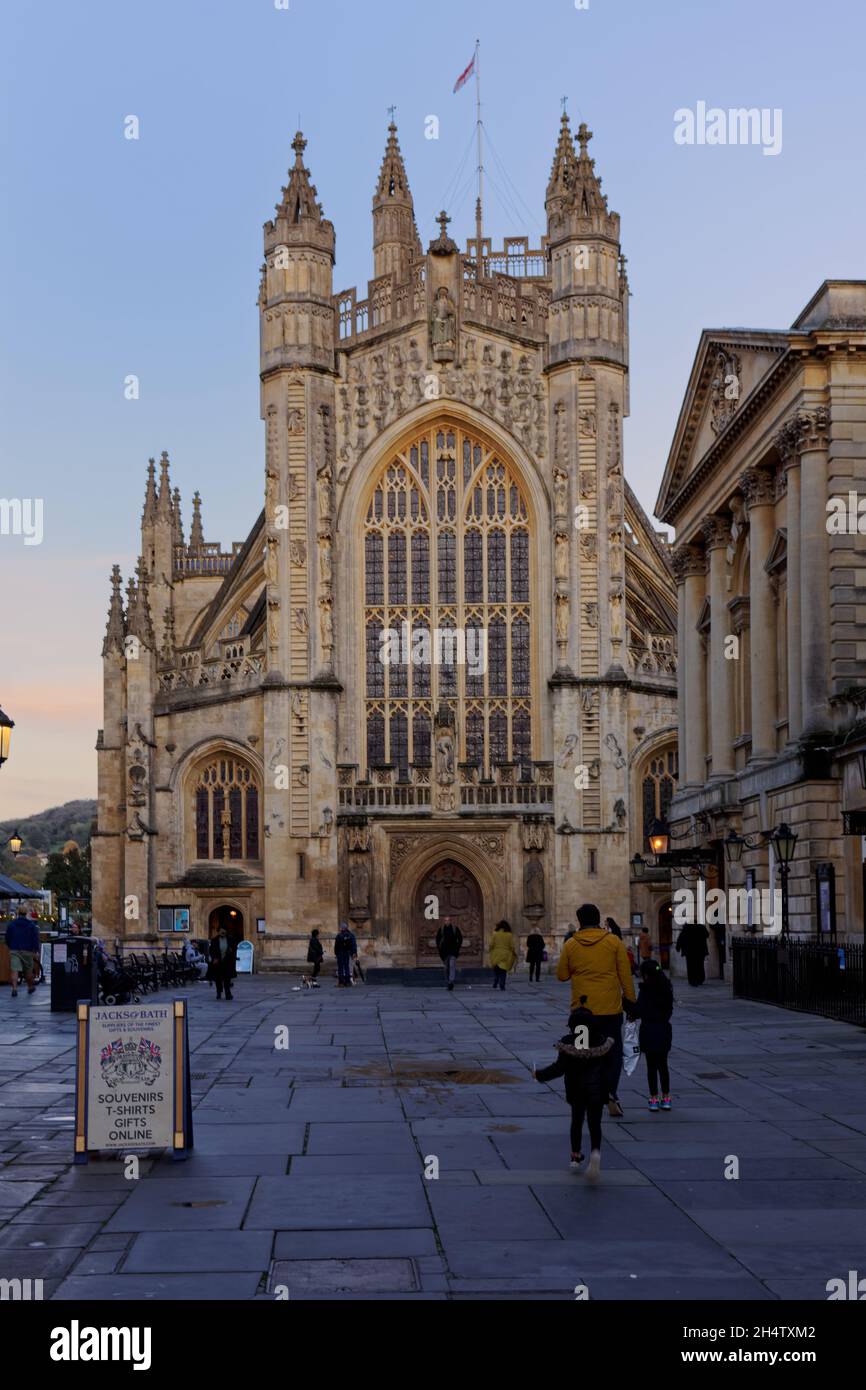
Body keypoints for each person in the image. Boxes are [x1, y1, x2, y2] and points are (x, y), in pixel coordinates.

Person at [556, 903, 635, 1117]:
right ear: (599, 920)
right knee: (613, 1052)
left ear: (579, 921)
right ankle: (609, 1091)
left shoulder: (572, 944)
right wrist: (631, 1000)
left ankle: (587, 1093)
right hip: (610, 1008)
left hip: (582, 1012)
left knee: (583, 1053)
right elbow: (625, 975)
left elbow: (562, 975)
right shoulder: (613, 942)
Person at [535, 996, 613, 1179]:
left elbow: (559, 1069)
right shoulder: (601, 1041)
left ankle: (575, 1156)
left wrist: (539, 1075)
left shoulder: (568, 1042)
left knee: (577, 1122)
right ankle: (595, 1152)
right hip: (597, 1089)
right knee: (595, 1124)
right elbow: (609, 1067)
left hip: (576, 1090)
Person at [623, 959, 674, 1111]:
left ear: (646, 975)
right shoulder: (666, 988)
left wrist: (625, 1003)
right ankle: (666, 1097)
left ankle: (653, 1098)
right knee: (663, 1065)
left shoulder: (646, 990)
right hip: (664, 1029)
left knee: (651, 1067)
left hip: (649, 1030)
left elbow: (638, 1011)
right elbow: (668, 1010)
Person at [4, 909, 40, 998]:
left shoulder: (11, 924)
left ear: (18, 913)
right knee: (28, 971)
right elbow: (35, 939)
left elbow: (7, 937)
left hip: (15, 950)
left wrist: (10, 946)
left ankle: (14, 989)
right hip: (27, 951)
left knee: (14, 970)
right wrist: (36, 950)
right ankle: (30, 986)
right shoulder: (31, 925)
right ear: (26, 913)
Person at [206, 927, 237, 1000]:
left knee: (227, 978)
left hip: (227, 961)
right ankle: (219, 993)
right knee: (218, 979)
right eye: (221, 931)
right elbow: (211, 951)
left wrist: (231, 951)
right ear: (218, 932)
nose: (223, 932)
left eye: (224, 931)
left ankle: (228, 994)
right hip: (218, 962)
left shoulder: (230, 939)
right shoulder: (214, 940)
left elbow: (234, 948)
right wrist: (214, 958)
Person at [676, 921, 710, 985]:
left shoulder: (687, 927)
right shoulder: (701, 927)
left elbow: (681, 938)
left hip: (690, 951)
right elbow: (707, 935)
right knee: (699, 965)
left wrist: (678, 947)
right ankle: (700, 979)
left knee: (691, 966)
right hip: (700, 950)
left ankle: (692, 980)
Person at [435, 917, 463, 990]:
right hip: (444, 952)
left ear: (450, 921)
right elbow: (437, 940)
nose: (447, 922)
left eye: (448, 920)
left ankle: (451, 982)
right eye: (445, 920)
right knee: (446, 968)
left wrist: (457, 948)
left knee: (452, 966)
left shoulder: (455, 929)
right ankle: (448, 982)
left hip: (453, 951)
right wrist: (440, 949)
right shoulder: (441, 930)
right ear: (444, 921)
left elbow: (460, 938)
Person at [488, 919, 516, 990]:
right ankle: (502, 985)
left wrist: (490, 950)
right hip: (505, 954)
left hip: (496, 954)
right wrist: (513, 952)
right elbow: (512, 946)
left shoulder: (495, 934)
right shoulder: (509, 935)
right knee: (503, 971)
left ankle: (496, 981)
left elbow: (491, 944)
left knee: (496, 969)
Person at [334, 922, 357, 987]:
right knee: (347, 967)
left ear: (341, 928)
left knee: (340, 968)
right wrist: (354, 953)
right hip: (347, 953)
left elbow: (336, 946)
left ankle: (341, 983)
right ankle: (347, 982)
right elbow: (353, 945)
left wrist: (336, 953)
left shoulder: (339, 935)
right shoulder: (351, 935)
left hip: (340, 953)